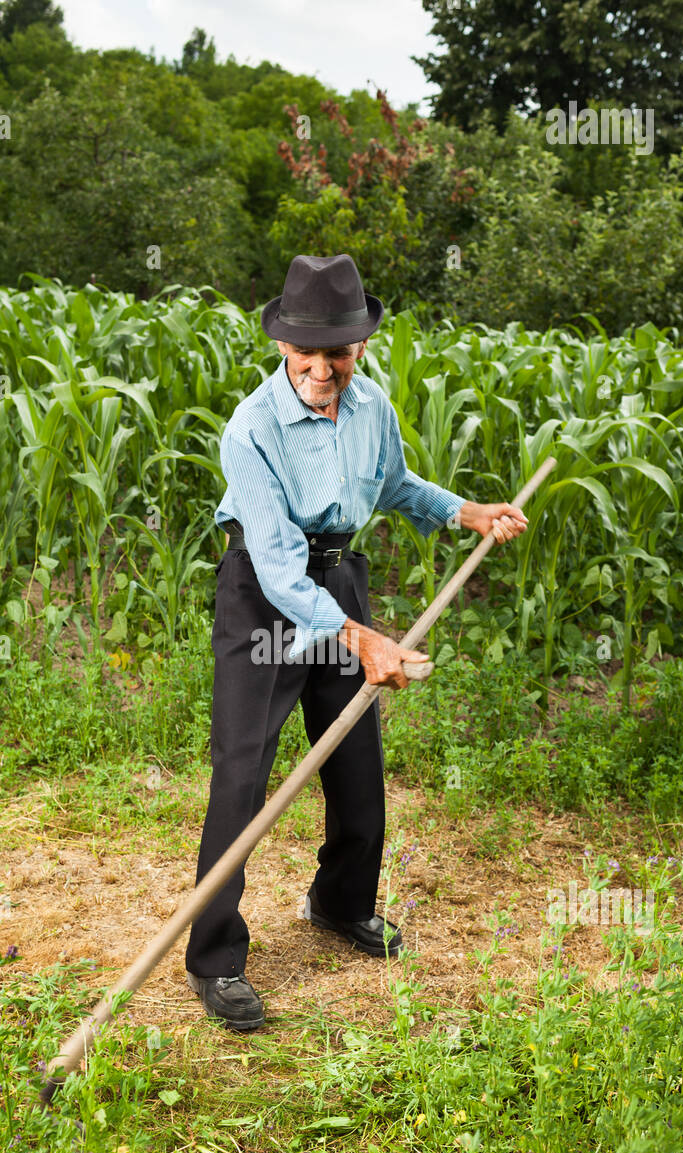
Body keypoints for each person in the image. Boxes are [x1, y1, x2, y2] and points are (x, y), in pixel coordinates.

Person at [185, 254, 527, 1030]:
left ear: (360, 348)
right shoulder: (254, 427)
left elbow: (398, 485)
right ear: (282, 346)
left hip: (337, 582)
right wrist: (358, 639)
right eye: (306, 349)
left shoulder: (370, 405)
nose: (321, 365)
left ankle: (339, 906)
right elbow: (274, 564)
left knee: (356, 759)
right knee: (242, 775)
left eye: (336, 350)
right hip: (263, 600)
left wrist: (466, 511)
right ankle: (214, 958)